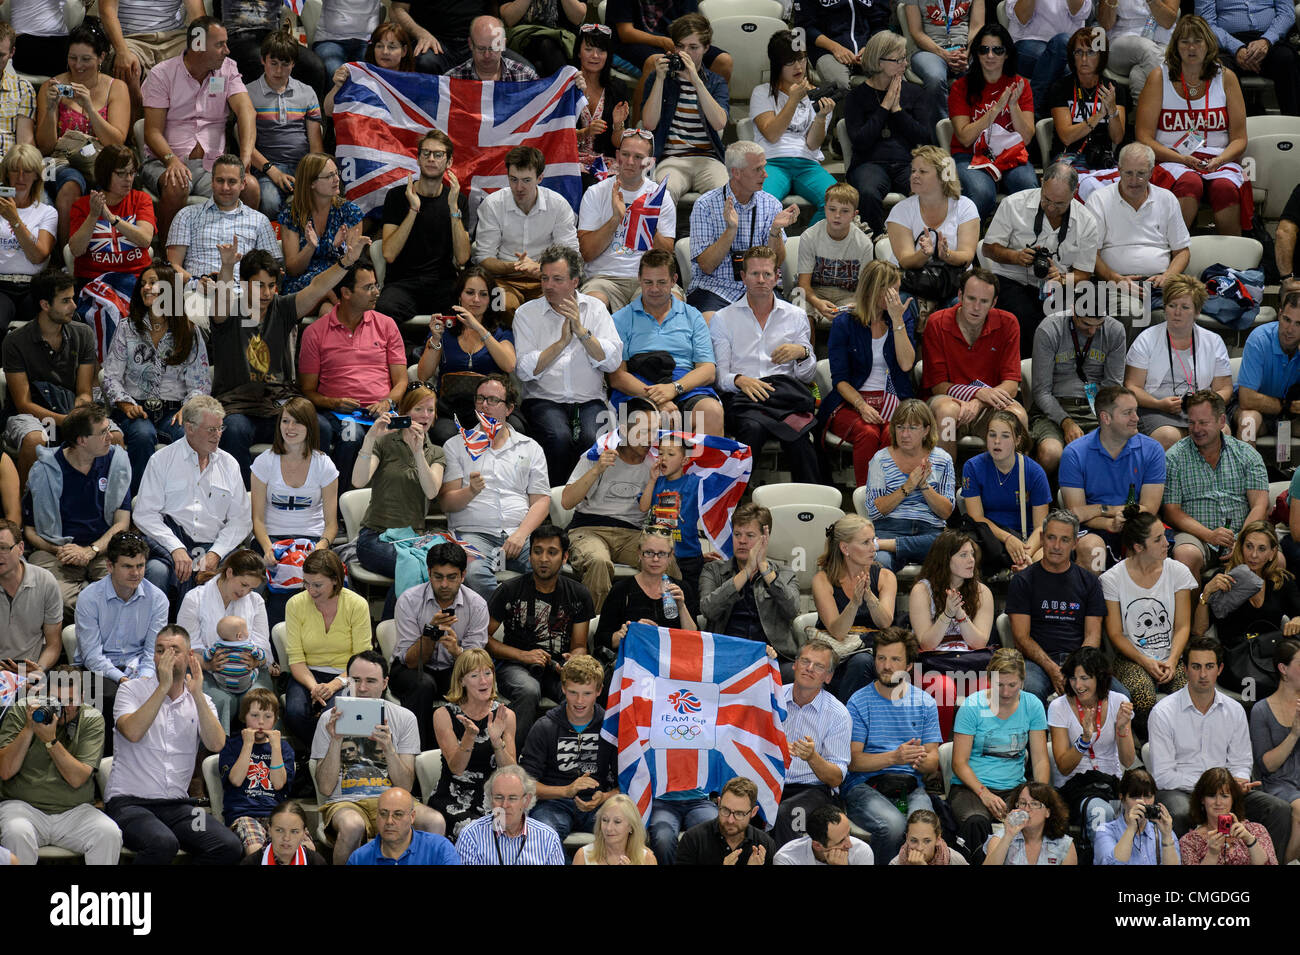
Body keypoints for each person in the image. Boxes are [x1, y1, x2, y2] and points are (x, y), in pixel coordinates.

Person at [213, 245, 365, 486]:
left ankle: (308, 497)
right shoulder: (229, 309)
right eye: (258, 285)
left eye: (271, 286)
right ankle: (241, 506)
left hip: (278, 405)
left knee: (321, 427)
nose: (266, 293)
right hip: (237, 406)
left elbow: (317, 287)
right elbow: (220, 300)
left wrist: (346, 262)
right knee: (234, 431)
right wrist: (227, 267)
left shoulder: (282, 308)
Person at [104, 624, 244, 865]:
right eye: (160, 650)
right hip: (129, 804)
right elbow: (133, 732)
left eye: (174, 650)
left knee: (228, 845)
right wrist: (162, 687)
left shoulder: (202, 699)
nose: (165, 656)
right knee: (162, 842)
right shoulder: (131, 689)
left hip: (179, 807)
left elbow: (217, 743)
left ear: (190, 657)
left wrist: (198, 695)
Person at [1148, 635, 1294, 856]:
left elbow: (1241, 762)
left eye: (1209, 666)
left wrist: (1235, 784)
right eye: (1196, 667)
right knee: (1176, 812)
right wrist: (1215, 787)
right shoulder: (1163, 712)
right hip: (1182, 791)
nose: (1203, 674)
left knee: (1278, 810)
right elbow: (1164, 776)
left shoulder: (1234, 710)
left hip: (1227, 792)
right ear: (1185, 669)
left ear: (1220, 668)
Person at [311, 650, 444, 866]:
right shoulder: (329, 718)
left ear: (384, 683)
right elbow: (325, 788)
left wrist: (389, 748)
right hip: (345, 802)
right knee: (352, 825)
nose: (362, 688)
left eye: (371, 681)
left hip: (393, 798)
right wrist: (336, 741)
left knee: (434, 821)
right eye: (355, 680)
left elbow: (405, 786)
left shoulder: (404, 718)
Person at [513, 244, 622, 485]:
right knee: (558, 437)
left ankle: (586, 506)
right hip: (543, 399)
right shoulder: (526, 314)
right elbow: (524, 369)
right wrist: (562, 343)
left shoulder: (595, 309)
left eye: (557, 279)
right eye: (545, 278)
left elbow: (612, 361)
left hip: (589, 400)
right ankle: (554, 504)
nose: (549, 285)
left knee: (592, 438)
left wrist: (582, 333)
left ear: (575, 281)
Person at [140, 17, 256, 243]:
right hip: (163, 161)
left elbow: (247, 112)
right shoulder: (162, 74)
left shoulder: (228, 69)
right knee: (177, 182)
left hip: (214, 165)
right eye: (219, 44)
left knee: (250, 187)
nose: (227, 50)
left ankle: (240, 255)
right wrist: (171, 161)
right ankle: (167, 255)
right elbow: (151, 132)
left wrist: (244, 160)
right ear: (198, 45)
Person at [710, 246, 819, 482]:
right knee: (752, 429)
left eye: (767, 274)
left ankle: (813, 504)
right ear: (743, 276)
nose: (761, 280)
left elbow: (806, 376)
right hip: (743, 400)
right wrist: (740, 380)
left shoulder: (796, 316)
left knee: (801, 437)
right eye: (754, 274)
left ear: (777, 276)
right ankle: (732, 501)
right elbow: (720, 376)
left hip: (783, 398)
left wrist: (802, 353)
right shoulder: (723, 318)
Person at [102, 264, 212, 496]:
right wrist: (125, 404)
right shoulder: (126, 328)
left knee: (186, 434)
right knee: (142, 436)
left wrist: (190, 408)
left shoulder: (189, 331)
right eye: (143, 284)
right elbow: (111, 376)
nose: (146, 288)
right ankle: (138, 504)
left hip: (175, 410)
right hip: (135, 407)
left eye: (153, 283)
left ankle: (182, 502)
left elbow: (200, 383)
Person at [298, 258, 407, 491]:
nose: (376, 292)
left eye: (376, 285)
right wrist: (333, 402)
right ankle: (343, 509)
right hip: (338, 414)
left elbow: (402, 381)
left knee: (406, 433)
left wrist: (387, 401)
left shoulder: (387, 325)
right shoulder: (315, 332)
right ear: (346, 292)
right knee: (351, 435)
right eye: (368, 287)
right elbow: (307, 391)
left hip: (382, 411)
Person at [439, 375, 552, 600]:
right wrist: (470, 491)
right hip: (473, 533)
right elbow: (446, 502)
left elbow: (542, 501)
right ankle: (498, 623)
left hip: (518, 532)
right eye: (480, 399)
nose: (484, 405)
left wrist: (521, 534)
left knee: (546, 566)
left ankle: (531, 623)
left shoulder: (530, 447)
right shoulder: (456, 446)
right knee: (472, 573)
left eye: (492, 400)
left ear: (509, 408)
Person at [1136, 15, 1249, 235]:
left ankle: (1231, 264)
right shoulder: (1159, 77)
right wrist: (1182, 159)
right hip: (1172, 159)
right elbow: (1143, 138)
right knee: (1190, 183)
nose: (1191, 47)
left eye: (1198, 41)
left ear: (1208, 45)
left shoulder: (1227, 78)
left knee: (1226, 188)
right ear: (1175, 46)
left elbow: (1240, 139)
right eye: (1184, 41)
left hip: (1219, 160)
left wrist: (1220, 159)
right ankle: (1171, 253)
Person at [133, 396, 251, 602]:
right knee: (155, 571)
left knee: (247, 573)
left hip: (214, 546)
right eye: (211, 430)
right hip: (171, 546)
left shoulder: (229, 463)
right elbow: (145, 514)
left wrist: (215, 554)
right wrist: (175, 548)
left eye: (220, 428)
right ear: (189, 428)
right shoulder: (161, 461)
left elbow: (241, 520)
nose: (218, 436)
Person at [0, 665, 121, 865]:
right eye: (56, 700)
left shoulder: (91, 718)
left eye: (71, 701)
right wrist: (29, 728)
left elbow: (77, 778)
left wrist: (50, 741)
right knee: (16, 832)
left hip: (75, 810)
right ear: (43, 694)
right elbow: (5, 771)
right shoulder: (23, 710)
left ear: (82, 698)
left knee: (109, 833)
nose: (63, 708)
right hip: (23, 806)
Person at [842, 628, 942, 864]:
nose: (887, 666)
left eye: (895, 659)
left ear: (908, 666)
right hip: (864, 784)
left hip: (910, 784)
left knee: (925, 829)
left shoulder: (925, 702)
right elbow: (854, 761)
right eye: (881, 658)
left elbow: (933, 762)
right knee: (894, 826)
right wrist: (895, 758)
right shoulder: (858, 701)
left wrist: (919, 759)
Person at [487, 525, 593, 746]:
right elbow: (482, 639)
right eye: (537, 551)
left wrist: (574, 659)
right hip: (514, 665)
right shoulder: (509, 589)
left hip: (556, 669)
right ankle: (511, 758)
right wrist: (522, 656)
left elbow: (580, 645)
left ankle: (569, 756)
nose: (543, 559)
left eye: (552, 552)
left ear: (564, 557)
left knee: (578, 691)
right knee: (528, 690)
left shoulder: (578, 593)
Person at [980, 164, 1101, 356]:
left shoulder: (1087, 222)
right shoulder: (1013, 204)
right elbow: (987, 249)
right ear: (1041, 183)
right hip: (1013, 279)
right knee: (1026, 319)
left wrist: (1061, 278)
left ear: (1074, 193)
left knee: (1090, 315)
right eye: (1047, 199)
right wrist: (1016, 256)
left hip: (1057, 287)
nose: (1051, 208)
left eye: (1060, 203)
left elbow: (1083, 275)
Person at [818, 259, 918, 486]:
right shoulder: (844, 323)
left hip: (892, 399)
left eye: (898, 290)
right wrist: (862, 406)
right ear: (874, 290)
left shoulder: (902, 317)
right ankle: (866, 498)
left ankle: (890, 496)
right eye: (891, 291)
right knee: (868, 433)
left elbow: (906, 364)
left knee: (891, 433)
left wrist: (897, 321)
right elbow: (840, 380)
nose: (896, 297)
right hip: (852, 401)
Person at [23, 404, 129, 612]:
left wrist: (91, 551)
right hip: (56, 552)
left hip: (103, 549)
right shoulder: (44, 470)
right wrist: (60, 550)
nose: (110, 437)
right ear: (81, 440)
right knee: (56, 601)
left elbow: (122, 522)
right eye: (103, 433)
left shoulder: (116, 462)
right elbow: (30, 530)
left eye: (109, 429)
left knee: (123, 593)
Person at [949, 648, 1050, 862]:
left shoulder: (1032, 705)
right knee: (976, 821)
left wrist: (1041, 797)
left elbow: (1040, 759)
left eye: (1012, 685)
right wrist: (984, 793)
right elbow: (959, 763)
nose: (1005, 692)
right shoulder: (972, 706)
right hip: (971, 788)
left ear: (1023, 681)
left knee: (1037, 818)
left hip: (1014, 788)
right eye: (999, 685)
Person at [34, 25, 130, 245]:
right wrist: (50, 109)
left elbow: (117, 142)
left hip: (100, 160)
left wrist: (89, 107)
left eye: (86, 59)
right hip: (58, 160)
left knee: (117, 177)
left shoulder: (117, 88)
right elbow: (45, 147)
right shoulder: (51, 86)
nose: (78, 66)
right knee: (70, 184)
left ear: (102, 57)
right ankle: (67, 256)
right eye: (72, 58)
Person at [249, 397, 340, 626]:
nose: (290, 428)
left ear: (309, 426)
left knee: (321, 581)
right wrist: (269, 549)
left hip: (312, 540)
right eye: (285, 421)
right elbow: (257, 520)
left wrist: (319, 548)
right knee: (277, 586)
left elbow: (331, 524)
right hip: (272, 539)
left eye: (297, 422)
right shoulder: (264, 462)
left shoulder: (324, 464)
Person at [2, 269, 96, 488]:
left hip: (70, 407)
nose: (74, 306)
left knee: (112, 436)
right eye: (66, 301)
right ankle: (28, 510)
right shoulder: (15, 342)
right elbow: (23, 404)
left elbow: (84, 391)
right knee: (36, 440)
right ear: (45, 305)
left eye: (73, 298)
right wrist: (66, 421)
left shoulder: (83, 334)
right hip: (30, 414)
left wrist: (79, 412)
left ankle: (98, 511)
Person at [390, 543, 490, 749]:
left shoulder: (477, 605)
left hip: (455, 668)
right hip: (410, 669)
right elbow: (410, 661)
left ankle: (468, 753)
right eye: (438, 576)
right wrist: (430, 633)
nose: (444, 584)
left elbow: (475, 663)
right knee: (423, 685)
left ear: (463, 575)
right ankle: (415, 754)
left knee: (473, 682)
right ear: (429, 573)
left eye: (451, 577)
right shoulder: (409, 600)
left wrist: (457, 652)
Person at [1059, 385, 1167, 574]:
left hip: (1137, 524)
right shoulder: (1074, 453)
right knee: (1093, 550)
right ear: (1105, 418)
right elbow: (1076, 513)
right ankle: (1093, 602)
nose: (1136, 418)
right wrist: (1109, 522)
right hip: (1094, 528)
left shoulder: (1153, 449)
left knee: (1155, 547)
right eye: (1128, 413)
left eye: (1136, 411)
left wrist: (1105, 512)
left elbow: (1149, 508)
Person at [1163, 390, 1269, 581]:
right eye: (1191, 422)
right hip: (1196, 536)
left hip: (1242, 533)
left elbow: (1260, 504)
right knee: (1186, 555)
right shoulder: (1174, 458)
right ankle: (1191, 611)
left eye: (1203, 422)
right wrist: (1209, 535)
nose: (1196, 429)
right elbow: (1172, 511)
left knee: (1277, 559)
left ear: (1221, 421)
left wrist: (1244, 539)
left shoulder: (1247, 454)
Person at [922, 268, 1028, 460]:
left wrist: (979, 401)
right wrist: (977, 392)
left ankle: (1007, 484)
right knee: (947, 412)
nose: (976, 307)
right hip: (949, 400)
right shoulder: (936, 323)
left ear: (994, 302)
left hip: (989, 405)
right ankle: (945, 484)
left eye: (984, 301)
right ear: (960, 295)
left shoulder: (1008, 323)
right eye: (971, 298)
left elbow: (1011, 386)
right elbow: (938, 387)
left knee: (1017, 415)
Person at [686, 141, 799, 319]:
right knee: (711, 326)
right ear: (736, 173)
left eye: (764, 167)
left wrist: (775, 230)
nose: (765, 174)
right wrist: (730, 230)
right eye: (757, 169)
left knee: (791, 322)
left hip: (760, 288)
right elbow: (706, 266)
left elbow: (776, 262)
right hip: (715, 288)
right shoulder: (705, 205)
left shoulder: (771, 204)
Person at [1101, 511, 1194, 724]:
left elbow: (1182, 626)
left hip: (1172, 656)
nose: (1166, 543)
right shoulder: (1112, 579)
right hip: (1132, 658)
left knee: (1189, 695)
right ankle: (1146, 744)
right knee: (1143, 698)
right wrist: (1145, 661)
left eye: (1164, 535)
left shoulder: (1178, 571)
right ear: (1138, 547)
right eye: (1158, 539)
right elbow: (1115, 633)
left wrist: (1172, 660)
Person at [1006, 509, 1107, 702]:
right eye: (1051, 538)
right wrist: (1053, 668)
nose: (1056, 546)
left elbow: (1093, 635)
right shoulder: (1023, 581)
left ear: (1075, 543)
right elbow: (1021, 638)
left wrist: (1076, 668)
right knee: (1030, 692)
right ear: (1042, 538)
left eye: (1065, 539)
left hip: (1080, 658)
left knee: (1121, 697)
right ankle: (1039, 733)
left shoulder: (1089, 582)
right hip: (1037, 661)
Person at [1083, 143, 1191, 322]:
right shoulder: (1099, 200)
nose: (1134, 181)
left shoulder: (1167, 199)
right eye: (1128, 173)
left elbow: (1182, 252)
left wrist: (1169, 276)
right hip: (1115, 282)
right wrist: (1115, 279)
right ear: (1119, 170)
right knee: (1131, 312)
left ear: (1151, 172)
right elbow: (1090, 254)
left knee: (1186, 308)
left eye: (1141, 173)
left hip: (1160, 283)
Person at [1124, 277, 1233, 450]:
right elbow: (1131, 387)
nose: (1177, 312)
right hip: (1156, 408)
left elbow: (1225, 388)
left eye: (1185, 307)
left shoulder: (1213, 341)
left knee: (1222, 431)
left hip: (1200, 410)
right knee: (1168, 436)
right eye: (1172, 305)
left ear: (1197, 311)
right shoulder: (1146, 339)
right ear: (1165, 307)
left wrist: (1205, 406)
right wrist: (1158, 403)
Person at [73, 531, 168, 726]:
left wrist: (144, 678)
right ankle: (106, 753)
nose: (136, 573)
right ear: (110, 566)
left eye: (140, 566)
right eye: (127, 566)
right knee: (107, 695)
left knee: (169, 687)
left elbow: (152, 651)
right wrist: (123, 679)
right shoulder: (89, 598)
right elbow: (91, 656)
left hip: (140, 667)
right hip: (99, 670)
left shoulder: (157, 599)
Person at [350, 387, 445, 582]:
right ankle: (402, 614)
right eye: (418, 409)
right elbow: (358, 481)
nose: (424, 416)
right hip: (375, 537)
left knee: (423, 566)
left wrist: (418, 452)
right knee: (412, 567)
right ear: (405, 411)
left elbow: (431, 491)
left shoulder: (436, 452)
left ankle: (397, 614)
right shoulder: (384, 443)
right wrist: (369, 438)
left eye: (430, 410)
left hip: (412, 539)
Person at [909, 529, 996, 738]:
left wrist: (960, 615)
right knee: (944, 689)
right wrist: (947, 614)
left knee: (987, 690)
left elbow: (979, 642)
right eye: (963, 555)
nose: (971, 561)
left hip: (971, 662)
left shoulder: (982, 592)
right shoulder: (922, 591)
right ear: (945, 559)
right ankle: (936, 755)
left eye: (972, 555)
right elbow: (927, 643)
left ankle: (979, 755)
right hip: (933, 664)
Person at [472, 146, 579, 316]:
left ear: (540, 178)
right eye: (513, 179)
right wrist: (517, 266)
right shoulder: (492, 204)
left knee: (556, 306)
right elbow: (484, 259)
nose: (519, 187)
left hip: (546, 278)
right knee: (501, 306)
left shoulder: (558, 205)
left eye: (526, 180)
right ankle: (504, 341)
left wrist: (541, 270)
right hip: (503, 279)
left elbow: (570, 257)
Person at [700, 503, 803, 680]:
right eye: (737, 534)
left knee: (796, 675)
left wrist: (762, 567)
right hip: (726, 654)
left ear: (764, 539)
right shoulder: (714, 570)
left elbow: (792, 609)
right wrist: (746, 571)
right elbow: (708, 610)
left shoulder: (783, 573)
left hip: (773, 655)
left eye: (750, 535)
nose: (742, 541)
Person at [377, 130, 470, 324]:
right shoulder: (396, 196)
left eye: (438, 155)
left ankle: (438, 353)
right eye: (426, 153)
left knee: (465, 312)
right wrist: (413, 209)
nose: (431, 159)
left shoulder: (458, 199)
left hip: (442, 285)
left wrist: (453, 208)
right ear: (418, 159)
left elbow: (462, 257)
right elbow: (389, 254)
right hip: (402, 284)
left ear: (449, 162)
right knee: (384, 310)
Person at [1047, 646, 1136, 849]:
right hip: (1075, 785)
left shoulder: (1119, 701)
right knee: (1100, 811)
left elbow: (1128, 760)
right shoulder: (1059, 706)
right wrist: (1084, 739)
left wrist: (1122, 727)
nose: (1078, 685)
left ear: (1099, 677)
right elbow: (1063, 766)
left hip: (1112, 783)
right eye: (1072, 678)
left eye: (1085, 678)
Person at [845, 33, 935, 234]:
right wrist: (885, 107)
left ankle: (919, 244)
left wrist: (898, 111)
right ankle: (875, 243)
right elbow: (860, 141)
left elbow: (924, 137)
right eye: (898, 59)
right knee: (868, 192)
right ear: (879, 61)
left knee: (926, 188)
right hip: (870, 163)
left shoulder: (915, 93)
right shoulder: (856, 97)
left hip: (907, 162)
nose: (904, 64)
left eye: (905, 58)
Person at [578, 131, 677, 312]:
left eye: (638, 157)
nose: (630, 162)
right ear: (617, 156)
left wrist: (645, 220)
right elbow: (586, 253)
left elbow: (667, 254)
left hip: (648, 277)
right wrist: (616, 219)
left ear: (649, 163)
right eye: (625, 154)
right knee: (592, 306)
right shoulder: (595, 193)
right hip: (603, 278)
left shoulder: (660, 197)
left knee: (666, 301)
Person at [520, 655, 617, 839]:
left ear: (599, 691)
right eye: (573, 692)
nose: (579, 701)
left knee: (625, 828)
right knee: (544, 833)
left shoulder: (610, 727)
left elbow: (628, 783)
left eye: (587, 693)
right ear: (563, 688)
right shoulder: (544, 726)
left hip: (597, 804)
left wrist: (604, 797)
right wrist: (566, 790)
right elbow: (526, 784)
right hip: (553, 803)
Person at [283, 548, 372, 746]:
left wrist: (334, 685)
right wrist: (315, 688)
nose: (310, 590)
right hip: (308, 674)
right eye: (306, 583)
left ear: (335, 580)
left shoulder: (357, 605)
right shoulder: (294, 605)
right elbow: (296, 659)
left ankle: (329, 757)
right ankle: (319, 754)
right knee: (294, 713)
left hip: (347, 674)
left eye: (317, 585)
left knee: (333, 715)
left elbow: (362, 660)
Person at [948, 24, 1038, 219]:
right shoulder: (960, 87)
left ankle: (1022, 244)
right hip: (969, 156)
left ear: (1007, 54)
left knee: (1028, 187)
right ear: (976, 54)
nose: (990, 55)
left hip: (1010, 155)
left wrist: (1013, 106)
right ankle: (968, 244)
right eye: (984, 49)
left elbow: (1027, 138)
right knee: (982, 193)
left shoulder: (1020, 85)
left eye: (997, 50)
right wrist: (995, 110)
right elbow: (964, 138)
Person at [176, 550, 274, 729]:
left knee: (259, 703)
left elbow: (263, 646)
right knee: (220, 701)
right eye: (243, 584)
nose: (245, 592)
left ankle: (261, 754)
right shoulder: (194, 599)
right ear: (229, 572)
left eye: (251, 588)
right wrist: (209, 665)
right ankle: (215, 754)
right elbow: (187, 649)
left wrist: (254, 660)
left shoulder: (256, 601)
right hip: (205, 671)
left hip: (250, 672)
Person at [640, 14, 730, 209]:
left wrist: (696, 81)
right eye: (680, 46)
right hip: (671, 158)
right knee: (663, 193)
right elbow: (649, 124)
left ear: (706, 48)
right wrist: (660, 80)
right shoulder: (660, 77)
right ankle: (665, 239)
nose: (685, 53)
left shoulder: (715, 82)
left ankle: (718, 239)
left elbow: (719, 123)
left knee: (724, 193)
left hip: (708, 159)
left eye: (693, 47)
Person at [1197, 522, 1300, 693]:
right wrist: (1206, 594)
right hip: (1236, 662)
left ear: (1272, 553)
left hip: (1272, 658)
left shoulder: (1282, 581)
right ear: (1240, 547)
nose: (1253, 555)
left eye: (1261, 549)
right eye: (1249, 546)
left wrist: (1297, 620)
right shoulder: (1222, 579)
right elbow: (1198, 631)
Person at [1029, 304, 1127, 478]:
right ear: (1074, 313)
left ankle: (1095, 502)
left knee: (1106, 452)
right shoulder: (1050, 329)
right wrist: (1066, 422)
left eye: (1099, 325)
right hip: (1054, 408)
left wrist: (1103, 419)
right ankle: (1040, 498)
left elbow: (1113, 387)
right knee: (1050, 453)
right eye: (1086, 324)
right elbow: (1041, 391)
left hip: (1096, 409)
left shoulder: (1115, 330)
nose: (1092, 331)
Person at [749, 31, 837, 225]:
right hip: (772, 163)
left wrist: (822, 117)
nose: (798, 67)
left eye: (802, 59)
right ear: (777, 64)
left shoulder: (818, 95)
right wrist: (793, 99)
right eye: (790, 62)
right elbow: (771, 134)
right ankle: (772, 248)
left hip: (807, 164)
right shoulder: (762, 92)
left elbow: (813, 144)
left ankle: (804, 247)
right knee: (760, 204)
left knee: (837, 203)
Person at [771, 639, 852, 847]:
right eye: (805, 661)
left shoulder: (838, 714)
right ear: (794, 665)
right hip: (769, 781)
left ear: (828, 677)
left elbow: (836, 778)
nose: (809, 669)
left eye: (819, 666)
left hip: (811, 789)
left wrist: (812, 757)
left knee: (787, 814)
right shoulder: (772, 697)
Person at [429, 648, 515, 837]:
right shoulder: (444, 715)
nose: (484, 681)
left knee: (505, 830)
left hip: (495, 799)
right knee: (474, 831)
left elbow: (511, 773)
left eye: (487, 673)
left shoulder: (505, 715)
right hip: (454, 796)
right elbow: (457, 768)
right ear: (461, 680)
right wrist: (469, 736)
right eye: (475, 675)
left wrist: (495, 741)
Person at [863, 398, 956, 571]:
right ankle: (888, 547)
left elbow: (945, 512)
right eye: (900, 427)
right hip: (890, 528)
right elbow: (874, 511)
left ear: (926, 430)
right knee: (878, 565)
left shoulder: (943, 459)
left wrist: (923, 486)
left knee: (951, 550)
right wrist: (908, 486)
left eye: (912, 428)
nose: (904, 434)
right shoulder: (880, 459)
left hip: (928, 532)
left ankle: (889, 545)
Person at [811, 514, 897, 698]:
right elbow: (839, 632)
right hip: (836, 652)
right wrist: (855, 603)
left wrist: (869, 597)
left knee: (863, 661)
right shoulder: (823, 580)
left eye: (873, 540)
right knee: (858, 663)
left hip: (871, 651)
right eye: (865, 542)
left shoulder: (885, 576)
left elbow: (885, 623)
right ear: (845, 548)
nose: (873, 547)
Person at [164, 153, 281, 282]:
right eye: (220, 181)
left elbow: (272, 270)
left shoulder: (260, 221)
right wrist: (196, 282)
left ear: (243, 184)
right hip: (197, 293)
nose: (225, 187)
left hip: (242, 295)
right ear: (212, 182)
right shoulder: (186, 215)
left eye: (232, 181)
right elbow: (173, 266)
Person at [960, 411, 1052, 575]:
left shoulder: (1034, 472)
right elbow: (977, 518)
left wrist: (1024, 555)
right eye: (992, 434)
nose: (997, 441)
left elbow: (1040, 527)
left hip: (1025, 540)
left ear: (1017, 440)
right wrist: (1007, 539)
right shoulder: (972, 467)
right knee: (967, 551)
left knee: (1045, 560)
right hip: (988, 536)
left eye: (1005, 436)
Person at [885, 146, 979, 306]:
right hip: (911, 283)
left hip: (952, 283)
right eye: (913, 171)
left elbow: (967, 257)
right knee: (900, 302)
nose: (914, 176)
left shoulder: (965, 206)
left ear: (943, 176)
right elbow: (905, 261)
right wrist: (923, 254)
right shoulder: (901, 210)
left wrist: (947, 255)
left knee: (962, 304)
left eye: (923, 172)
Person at [243, 35, 324, 219]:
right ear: (263, 60)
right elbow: (246, 145)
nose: (279, 70)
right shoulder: (248, 93)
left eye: (285, 64)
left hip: (302, 166)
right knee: (269, 202)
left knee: (322, 196)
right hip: (267, 168)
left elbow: (316, 143)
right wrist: (273, 171)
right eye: (273, 63)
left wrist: (310, 175)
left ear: (293, 63)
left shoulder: (307, 92)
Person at [591, 528, 697, 662]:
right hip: (632, 663)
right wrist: (627, 634)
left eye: (662, 554)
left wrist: (681, 607)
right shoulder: (621, 589)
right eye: (649, 553)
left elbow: (694, 639)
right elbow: (600, 640)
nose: (655, 559)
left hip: (672, 664)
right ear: (639, 554)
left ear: (670, 557)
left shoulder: (682, 589)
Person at [217, 688, 296, 855]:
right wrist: (248, 744)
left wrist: (275, 747)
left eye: (267, 717)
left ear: (275, 720)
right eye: (254, 716)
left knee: (305, 849)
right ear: (243, 716)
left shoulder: (283, 748)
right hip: (243, 814)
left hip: (276, 814)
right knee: (256, 850)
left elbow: (278, 783)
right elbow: (237, 780)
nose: (261, 722)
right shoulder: (232, 745)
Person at [66, 145, 156, 287]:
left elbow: (145, 240)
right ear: (105, 174)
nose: (128, 179)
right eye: (121, 173)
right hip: (94, 281)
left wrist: (112, 219)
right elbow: (76, 250)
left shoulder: (141, 199)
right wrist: (93, 215)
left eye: (132, 173)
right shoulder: (83, 205)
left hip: (136, 279)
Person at [278, 153, 364, 296]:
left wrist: (339, 250)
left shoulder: (350, 212)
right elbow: (293, 270)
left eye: (337, 173)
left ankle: (330, 302)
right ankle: (333, 304)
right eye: (329, 176)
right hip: (303, 283)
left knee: (331, 297)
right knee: (315, 287)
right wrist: (310, 247)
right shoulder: (291, 215)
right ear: (311, 183)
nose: (337, 179)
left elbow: (352, 264)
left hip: (338, 277)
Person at [638, 433, 704, 614]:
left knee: (689, 606)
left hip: (688, 556)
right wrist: (652, 479)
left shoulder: (695, 482)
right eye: (660, 453)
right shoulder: (657, 483)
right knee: (660, 606)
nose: (664, 458)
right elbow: (643, 507)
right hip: (660, 557)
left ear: (684, 460)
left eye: (671, 454)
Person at [1199, 0, 1300, 116]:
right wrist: (1236, 47)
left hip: (1268, 39)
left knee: (1287, 58)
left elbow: (1287, 13)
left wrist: (1267, 40)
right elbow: (1205, 22)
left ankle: (1294, 124)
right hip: (1226, 42)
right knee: (1220, 66)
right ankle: (1236, 126)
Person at [797, 183, 876, 329]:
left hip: (849, 295)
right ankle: (806, 351)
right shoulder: (810, 236)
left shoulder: (864, 244)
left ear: (854, 214)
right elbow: (803, 285)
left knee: (858, 316)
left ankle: (846, 352)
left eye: (845, 211)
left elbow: (866, 288)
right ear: (825, 209)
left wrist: (857, 304)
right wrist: (817, 302)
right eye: (832, 209)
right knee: (800, 312)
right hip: (815, 291)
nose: (837, 215)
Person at [454, 764, 567, 865]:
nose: (505, 805)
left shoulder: (548, 838)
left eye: (512, 798)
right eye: (499, 797)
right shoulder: (471, 836)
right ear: (490, 799)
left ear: (526, 800)